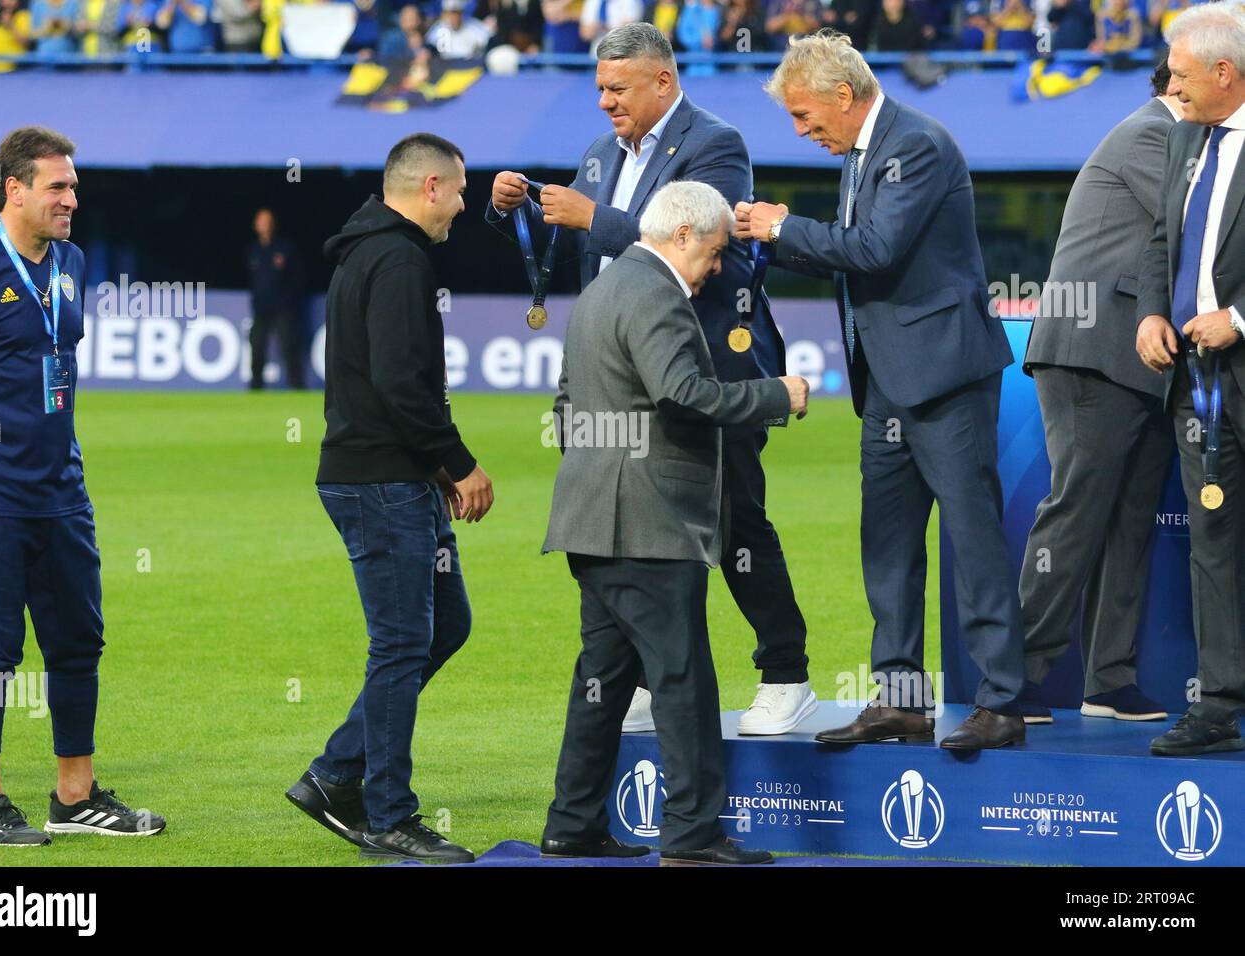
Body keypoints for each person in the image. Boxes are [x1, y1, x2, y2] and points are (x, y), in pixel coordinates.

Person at [488, 22, 817, 738]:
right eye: (600, 88)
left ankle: (786, 676)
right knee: (631, 532)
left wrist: (593, 218)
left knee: (733, 521)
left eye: (618, 88)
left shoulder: (715, 144)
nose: (606, 102)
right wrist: (513, 210)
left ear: (662, 82)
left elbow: (709, 246)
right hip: (619, 373)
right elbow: (574, 233)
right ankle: (633, 678)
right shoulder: (601, 154)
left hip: (706, 363)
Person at [737, 30, 1027, 750]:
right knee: (888, 546)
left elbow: (875, 249)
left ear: (845, 94)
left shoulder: (914, 144)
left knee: (974, 537)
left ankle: (1001, 704)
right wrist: (778, 238)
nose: (804, 134)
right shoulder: (868, 151)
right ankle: (901, 698)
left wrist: (782, 227)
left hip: (947, 376)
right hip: (889, 384)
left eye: (806, 118)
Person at [540, 180, 810, 866]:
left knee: (600, 680)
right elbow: (681, 392)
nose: (718, 268)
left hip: (591, 518)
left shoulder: (602, 288)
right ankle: (692, 836)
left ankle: (571, 826)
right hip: (648, 524)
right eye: (715, 253)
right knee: (683, 679)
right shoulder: (657, 292)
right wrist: (777, 392)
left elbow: (568, 406)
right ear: (683, 234)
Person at [0, 126, 165, 845]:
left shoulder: (69, 262)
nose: (73, 198)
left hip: (62, 491)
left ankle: (75, 797)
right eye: (58, 187)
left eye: (73, 186)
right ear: (15, 189)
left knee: (77, 643)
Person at [285, 133, 493, 861]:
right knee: (404, 642)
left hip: (390, 473)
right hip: (380, 482)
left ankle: (336, 774)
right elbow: (401, 382)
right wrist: (459, 464)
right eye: (461, 190)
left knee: (443, 626)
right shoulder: (399, 257)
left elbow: (386, 380)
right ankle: (388, 816)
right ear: (429, 186)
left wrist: (432, 467)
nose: (465, 205)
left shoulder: (367, 250)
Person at [1017, 60, 1181, 725]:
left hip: (1142, 361)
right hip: (1093, 353)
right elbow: (1196, 225)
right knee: (1077, 513)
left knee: (1130, 522)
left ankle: (1109, 679)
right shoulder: (1152, 134)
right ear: (1180, 80)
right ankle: (1016, 676)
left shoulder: (1169, 136)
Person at [1136, 2, 1245, 756]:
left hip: (1237, 354)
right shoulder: (1184, 141)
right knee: (1211, 545)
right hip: (1195, 385)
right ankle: (1219, 707)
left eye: (1179, 74)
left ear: (1224, 72)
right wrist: (1150, 312)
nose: (1169, 86)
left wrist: (1240, 317)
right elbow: (1159, 237)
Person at [246, 208, 305, 390]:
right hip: (261, 309)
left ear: (273, 224)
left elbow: (299, 277)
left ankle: (297, 387)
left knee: (289, 347)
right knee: (257, 348)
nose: (264, 225)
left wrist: (290, 300)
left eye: (267, 221)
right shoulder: (253, 251)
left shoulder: (285, 249)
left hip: (283, 309)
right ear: (255, 225)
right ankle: (256, 388)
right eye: (261, 221)